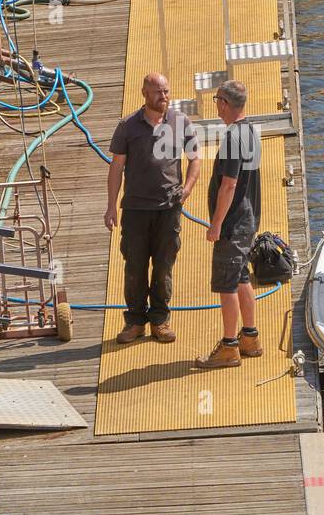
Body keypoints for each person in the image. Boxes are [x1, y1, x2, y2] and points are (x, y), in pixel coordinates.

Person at [106, 72, 200, 344]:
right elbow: (116, 169)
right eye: (158, 92)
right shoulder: (127, 126)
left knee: (163, 266)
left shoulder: (180, 122)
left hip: (168, 208)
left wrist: (188, 189)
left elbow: (195, 159)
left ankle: (160, 319)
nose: (164, 97)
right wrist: (111, 206)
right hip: (135, 209)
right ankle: (135, 321)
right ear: (145, 94)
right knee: (134, 267)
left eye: (167, 92)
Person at [194, 80, 262, 369]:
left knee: (226, 284)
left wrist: (216, 224)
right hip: (248, 220)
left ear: (224, 103)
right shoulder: (250, 131)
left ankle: (229, 347)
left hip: (234, 224)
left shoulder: (234, 138)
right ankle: (250, 338)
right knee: (241, 277)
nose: (216, 106)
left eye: (217, 100)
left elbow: (229, 185)